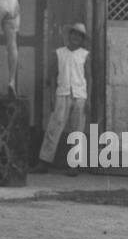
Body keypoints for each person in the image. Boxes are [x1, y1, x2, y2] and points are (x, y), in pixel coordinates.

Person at [37, 23, 91, 175]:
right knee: (53, 128)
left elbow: (89, 77)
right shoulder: (59, 53)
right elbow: (52, 75)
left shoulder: (85, 55)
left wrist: (89, 99)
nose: (76, 38)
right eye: (74, 34)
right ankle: (44, 162)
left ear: (82, 39)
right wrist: (53, 97)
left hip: (80, 96)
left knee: (77, 131)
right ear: (69, 35)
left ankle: (74, 165)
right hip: (62, 94)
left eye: (79, 36)